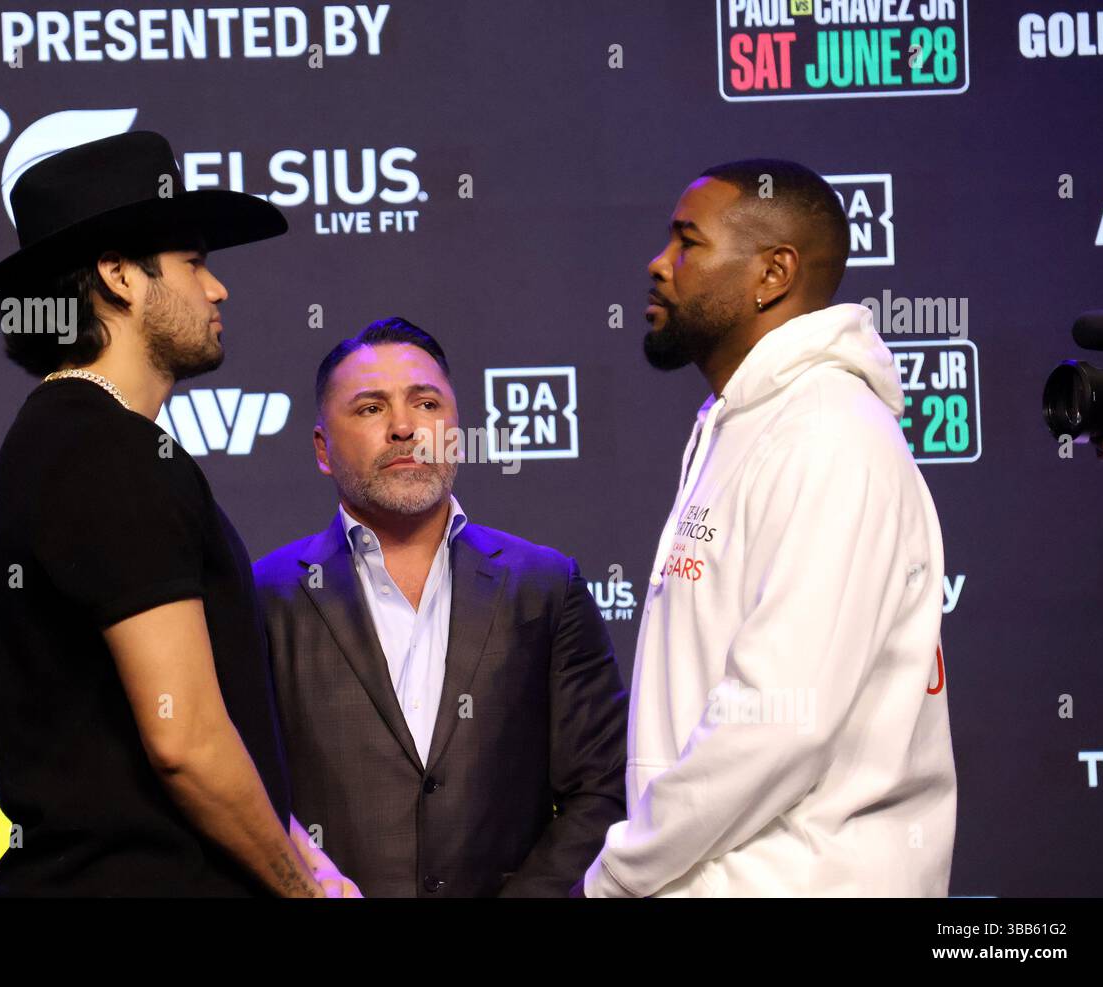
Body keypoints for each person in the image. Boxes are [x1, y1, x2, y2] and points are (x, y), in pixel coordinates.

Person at [0, 131, 357, 897]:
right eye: (194, 263)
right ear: (119, 276)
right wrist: (300, 891)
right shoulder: (101, 448)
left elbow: (208, 720)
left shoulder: (76, 436)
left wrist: (313, 866)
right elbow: (188, 740)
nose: (217, 289)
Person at [580, 159, 956, 897]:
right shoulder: (746, 424)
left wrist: (619, 875)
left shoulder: (829, 438)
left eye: (688, 242)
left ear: (772, 274)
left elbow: (780, 722)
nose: (658, 265)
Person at [254, 317, 629, 896]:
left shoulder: (545, 585)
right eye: (371, 409)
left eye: (426, 403)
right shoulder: (265, 596)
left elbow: (602, 787)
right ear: (323, 448)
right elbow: (243, 790)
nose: (405, 428)